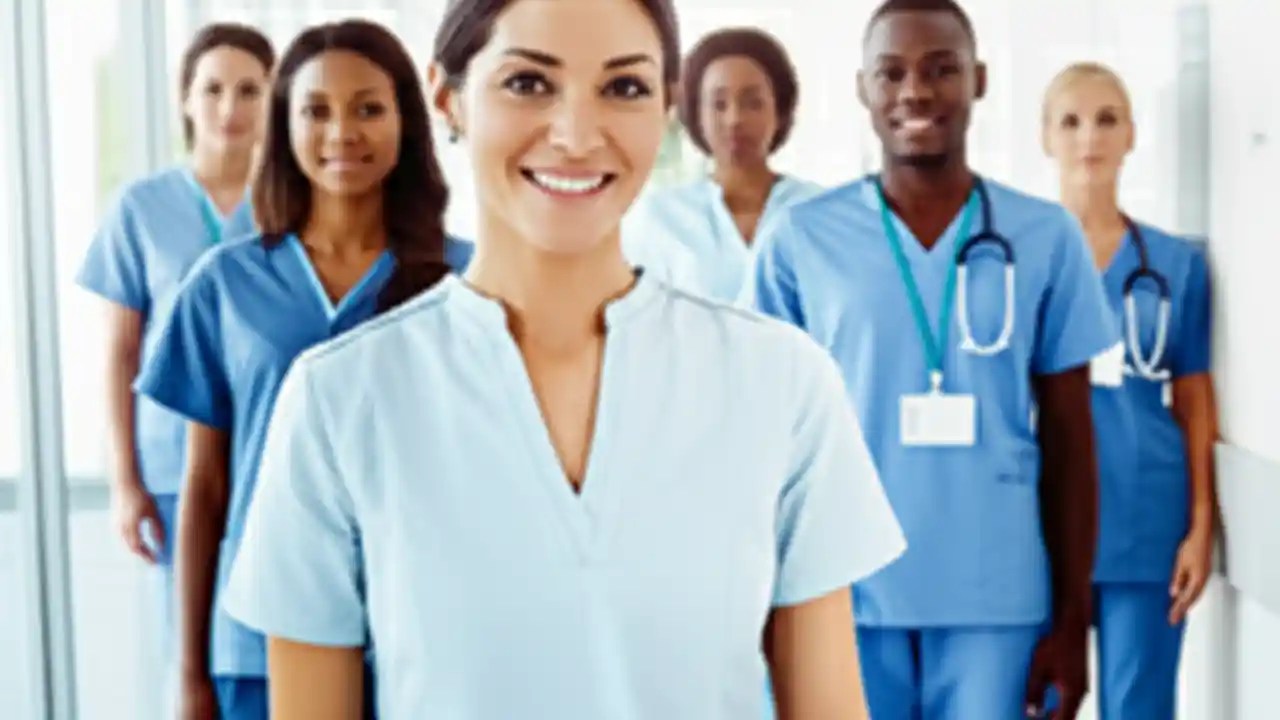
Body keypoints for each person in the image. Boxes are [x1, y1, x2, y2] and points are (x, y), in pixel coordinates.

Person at [219, 0, 907, 718]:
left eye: (624, 88)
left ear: (668, 106)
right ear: (450, 100)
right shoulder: (341, 398)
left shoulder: (782, 385)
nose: (577, 135)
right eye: (527, 83)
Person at [743, 1, 1120, 718]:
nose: (915, 91)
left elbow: (1072, 437)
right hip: (840, 591)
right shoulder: (801, 239)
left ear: (979, 81)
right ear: (863, 89)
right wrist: (759, 600)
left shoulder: (1046, 237)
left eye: (940, 70)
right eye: (892, 73)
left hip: (996, 599)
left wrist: (1074, 621)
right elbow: (762, 436)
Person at [134, 19, 470, 720]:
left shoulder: (464, 281)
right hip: (256, 643)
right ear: (283, 125)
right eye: (315, 110)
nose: (341, 131)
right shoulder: (224, 284)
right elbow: (206, 484)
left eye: (368, 108)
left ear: (407, 121)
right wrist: (190, 671)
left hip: (424, 636)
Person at [75, 19, 274, 686]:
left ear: (274, 100)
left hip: (267, 458)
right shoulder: (142, 207)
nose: (229, 107)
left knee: (275, 650)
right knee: (194, 653)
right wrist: (126, 481)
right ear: (186, 99)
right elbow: (119, 354)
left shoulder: (294, 207)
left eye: (250, 90)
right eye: (212, 88)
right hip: (168, 467)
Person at [1042, 61, 1218, 720]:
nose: (1090, 136)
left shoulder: (1176, 266)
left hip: (1145, 521)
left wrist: (1202, 526)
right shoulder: (1014, 261)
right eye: (1071, 120)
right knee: (1040, 702)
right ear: (1046, 139)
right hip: (1041, 527)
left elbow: (1195, 396)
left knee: (1140, 709)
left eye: (1107, 119)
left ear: (1132, 136)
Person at [622, 27, 821, 302]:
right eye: (718, 104)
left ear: (781, 110)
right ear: (696, 115)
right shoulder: (660, 218)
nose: (734, 119)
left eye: (753, 103)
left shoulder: (819, 211)